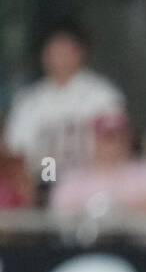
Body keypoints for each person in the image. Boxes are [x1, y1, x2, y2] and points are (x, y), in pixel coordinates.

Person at [2, 21, 124, 190]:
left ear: (80, 53)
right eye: (54, 50)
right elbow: (16, 152)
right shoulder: (28, 100)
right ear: (44, 55)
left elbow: (114, 146)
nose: (59, 56)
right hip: (42, 184)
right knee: (47, 169)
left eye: (65, 50)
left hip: (92, 183)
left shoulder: (102, 95)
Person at [49, 112, 146, 216]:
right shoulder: (72, 177)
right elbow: (59, 217)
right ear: (93, 141)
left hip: (138, 246)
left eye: (117, 137)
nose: (111, 145)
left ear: (128, 139)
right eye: (105, 138)